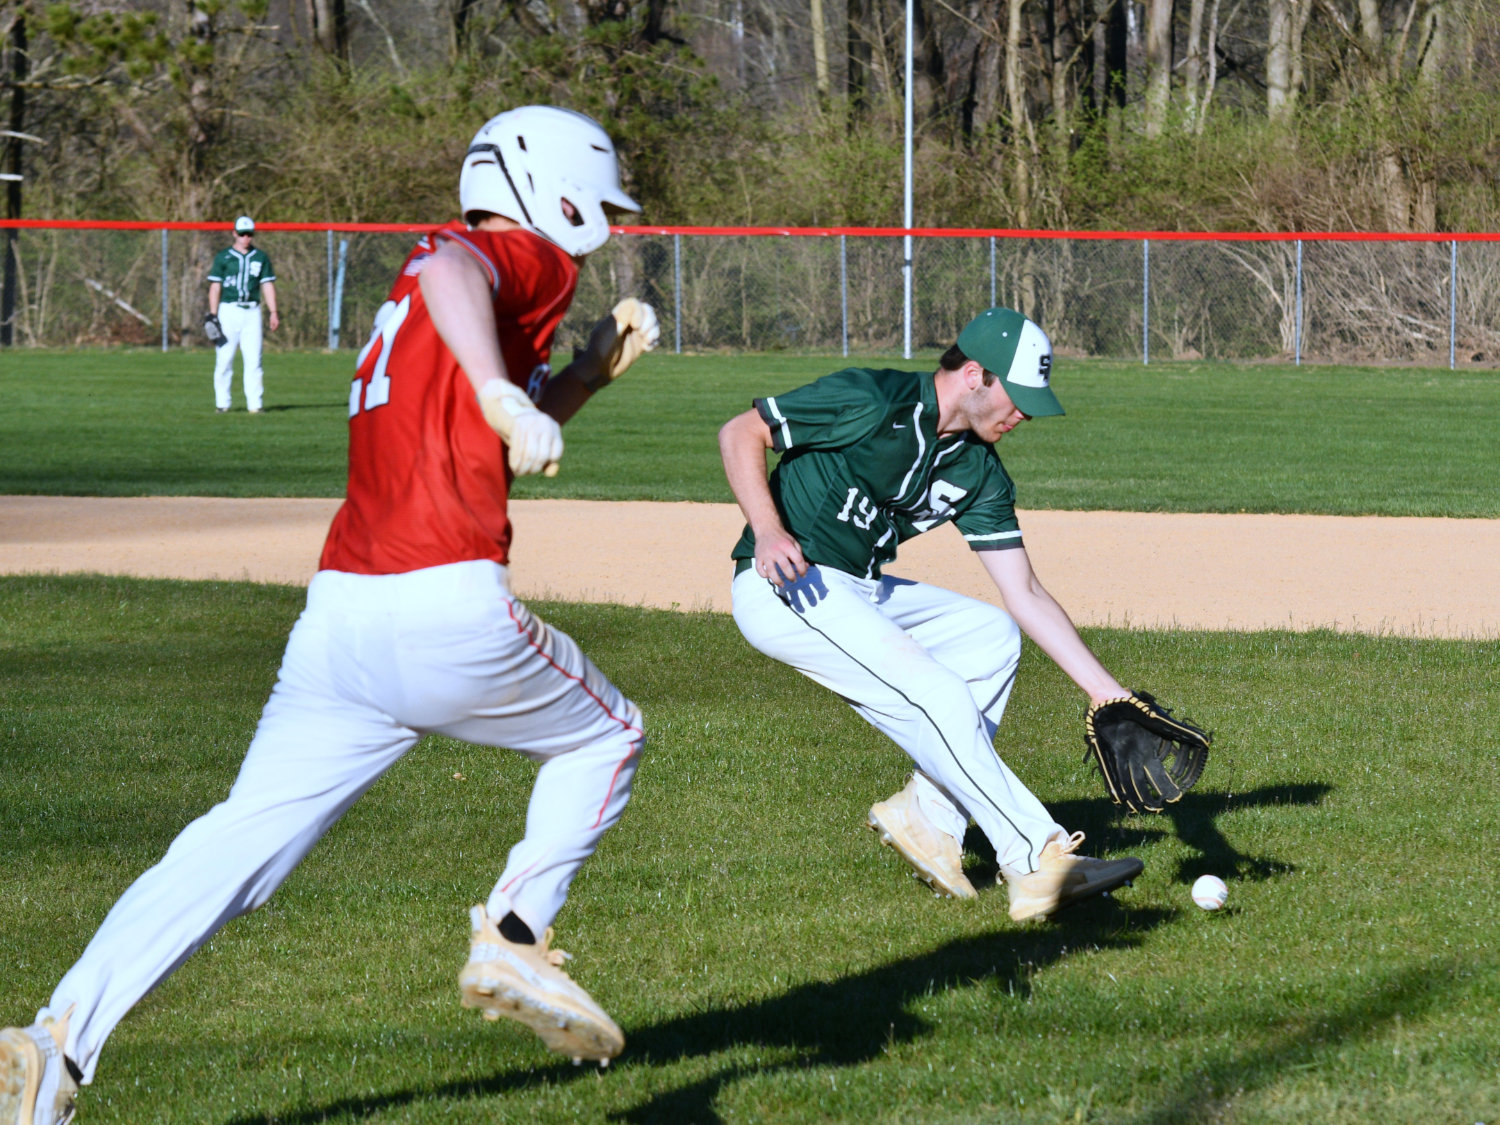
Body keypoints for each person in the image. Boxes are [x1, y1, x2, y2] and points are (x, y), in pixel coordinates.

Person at [0, 104, 660, 1125]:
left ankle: (54, 1042)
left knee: (234, 849)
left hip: (339, 624)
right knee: (609, 736)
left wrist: (569, 381)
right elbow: (453, 268)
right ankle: (516, 933)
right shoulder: (508, 255)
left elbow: (482, 414)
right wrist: (503, 387)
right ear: (555, 185)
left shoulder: (443, 310)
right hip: (443, 607)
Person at [718, 307, 1144, 924]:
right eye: (1016, 396)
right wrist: (766, 528)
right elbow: (741, 432)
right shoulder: (872, 398)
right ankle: (1035, 861)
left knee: (990, 634)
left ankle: (930, 816)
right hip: (790, 584)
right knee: (936, 694)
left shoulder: (977, 470)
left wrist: (1107, 693)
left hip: (858, 587)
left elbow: (1023, 591)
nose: (1023, 413)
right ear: (974, 375)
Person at [207, 215, 280, 413]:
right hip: (228, 310)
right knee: (224, 359)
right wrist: (213, 315)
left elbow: (267, 284)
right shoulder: (223, 257)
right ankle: (222, 404)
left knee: (254, 360)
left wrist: (273, 312)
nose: (246, 238)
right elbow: (215, 286)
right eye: (242, 234)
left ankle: (255, 405)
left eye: (249, 234)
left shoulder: (260, 257)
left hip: (252, 311)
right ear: (234, 233)